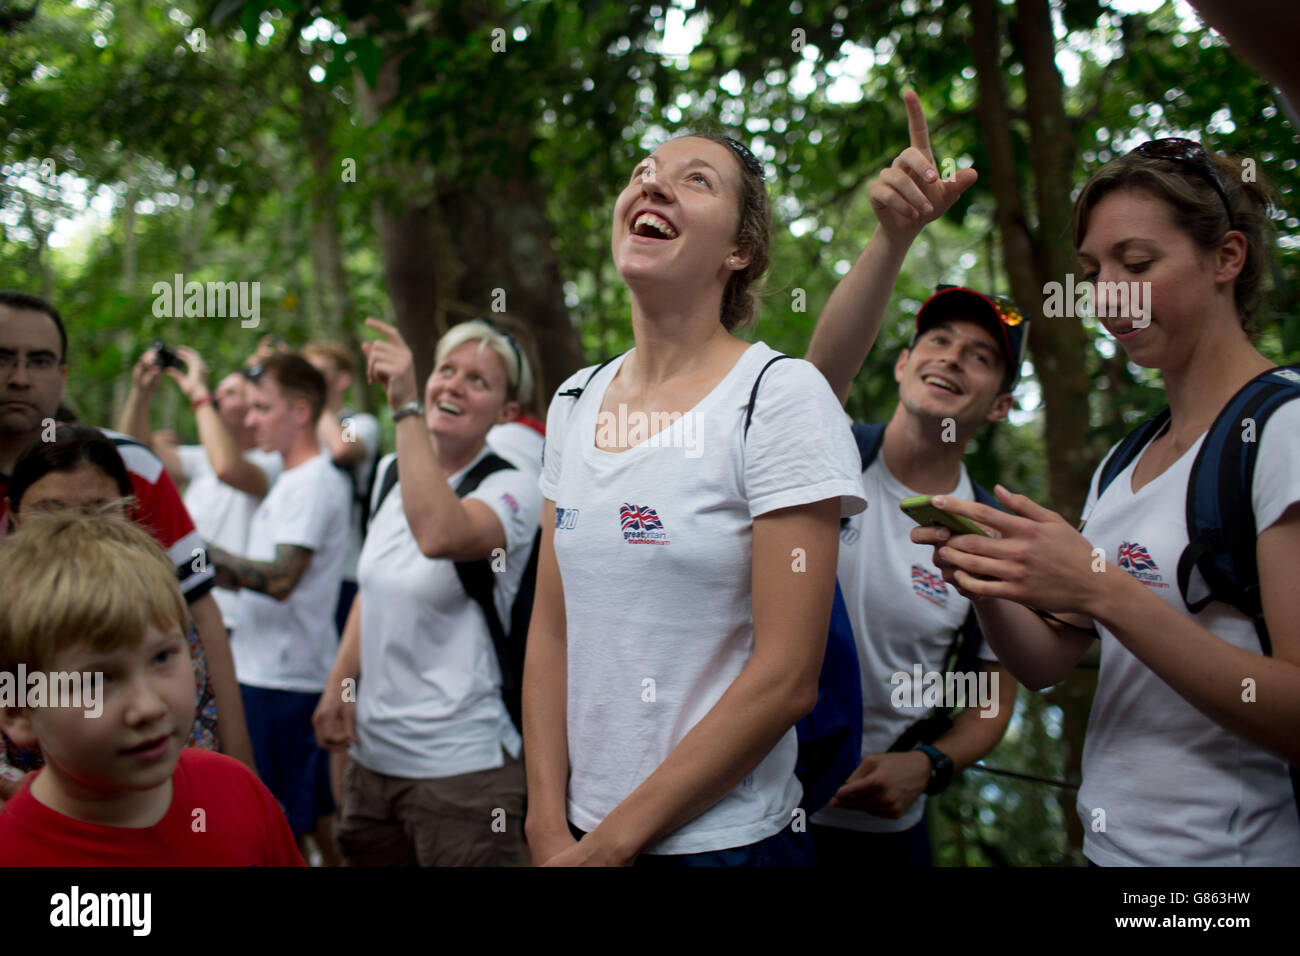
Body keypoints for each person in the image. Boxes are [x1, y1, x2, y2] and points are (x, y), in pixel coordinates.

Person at [918, 138, 1300, 865]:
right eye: (1093, 272)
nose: (1108, 294)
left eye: (1139, 263)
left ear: (1228, 259)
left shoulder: (1282, 432)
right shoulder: (1126, 460)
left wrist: (1103, 587)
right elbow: (1049, 662)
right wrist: (985, 577)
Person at [523, 132, 866, 867]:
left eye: (695, 180)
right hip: (573, 838)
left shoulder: (778, 397)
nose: (651, 185)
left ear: (738, 251)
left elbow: (786, 679)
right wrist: (545, 824)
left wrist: (611, 846)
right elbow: (551, 631)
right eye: (642, 172)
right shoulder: (574, 400)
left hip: (728, 847)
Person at [801, 93, 1020, 866]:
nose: (951, 357)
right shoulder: (829, 458)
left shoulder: (990, 527)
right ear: (900, 364)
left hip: (886, 836)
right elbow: (814, 380)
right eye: (936, 339)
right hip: (761, 808)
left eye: (981, 355)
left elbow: (994, 693)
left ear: (999, 407)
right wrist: (895, 235)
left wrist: (930, 765)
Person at [0, 290, 254, 789]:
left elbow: (201, 610)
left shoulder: (131, 463)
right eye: (3, 357)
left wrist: (241, 765)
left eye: (41, 360)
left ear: (63, 374)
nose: (20, 377)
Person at [313, 317, 541, 866]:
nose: (454, 386)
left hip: (463, 772)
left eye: (478, 381)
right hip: (373, 765)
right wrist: (340, 684)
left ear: (506, 414)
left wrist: (408, 407)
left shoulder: (514, 487)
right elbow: (377, 584)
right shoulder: (392, 472)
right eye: (446, 371)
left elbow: (440, 534)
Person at [0, 511, 303, 865]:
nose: (148, 707)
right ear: (19, 711)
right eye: (97, 681)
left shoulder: (237, 790)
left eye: (162, 657)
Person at [3, 424, 220, 770]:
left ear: (129, 514)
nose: (77, 532)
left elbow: (197, 745)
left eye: (98, 512)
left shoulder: (157, 609)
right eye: (51, 513)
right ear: (13, 518)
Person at [206, 352, 351, 864]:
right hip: (263, 672)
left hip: (287, 680)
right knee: (280, 818)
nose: (251, 419)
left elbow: (282, 579)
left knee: (285, 821)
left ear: (301, 410)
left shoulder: (315, 481)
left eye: (263, 408)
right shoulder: (288, 478)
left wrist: (197, 556)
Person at [119, 345, 283, 634]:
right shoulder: (200, 459)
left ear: (255, 407)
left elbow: (227, 468)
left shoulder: (272, 462)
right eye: (216, 391)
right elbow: (134, 452)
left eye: (232, 392)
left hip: (228, 617)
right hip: (178, 608)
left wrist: (199, 394)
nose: (218, 396)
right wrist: (141, 392)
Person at [302, 341, 381, 634]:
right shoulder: (298, 431)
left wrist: (314, 401)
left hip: (345, 571)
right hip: (300, 574)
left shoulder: (358, 423)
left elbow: (342, 448)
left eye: (317, 373)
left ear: (343, 379)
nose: (308, 380)